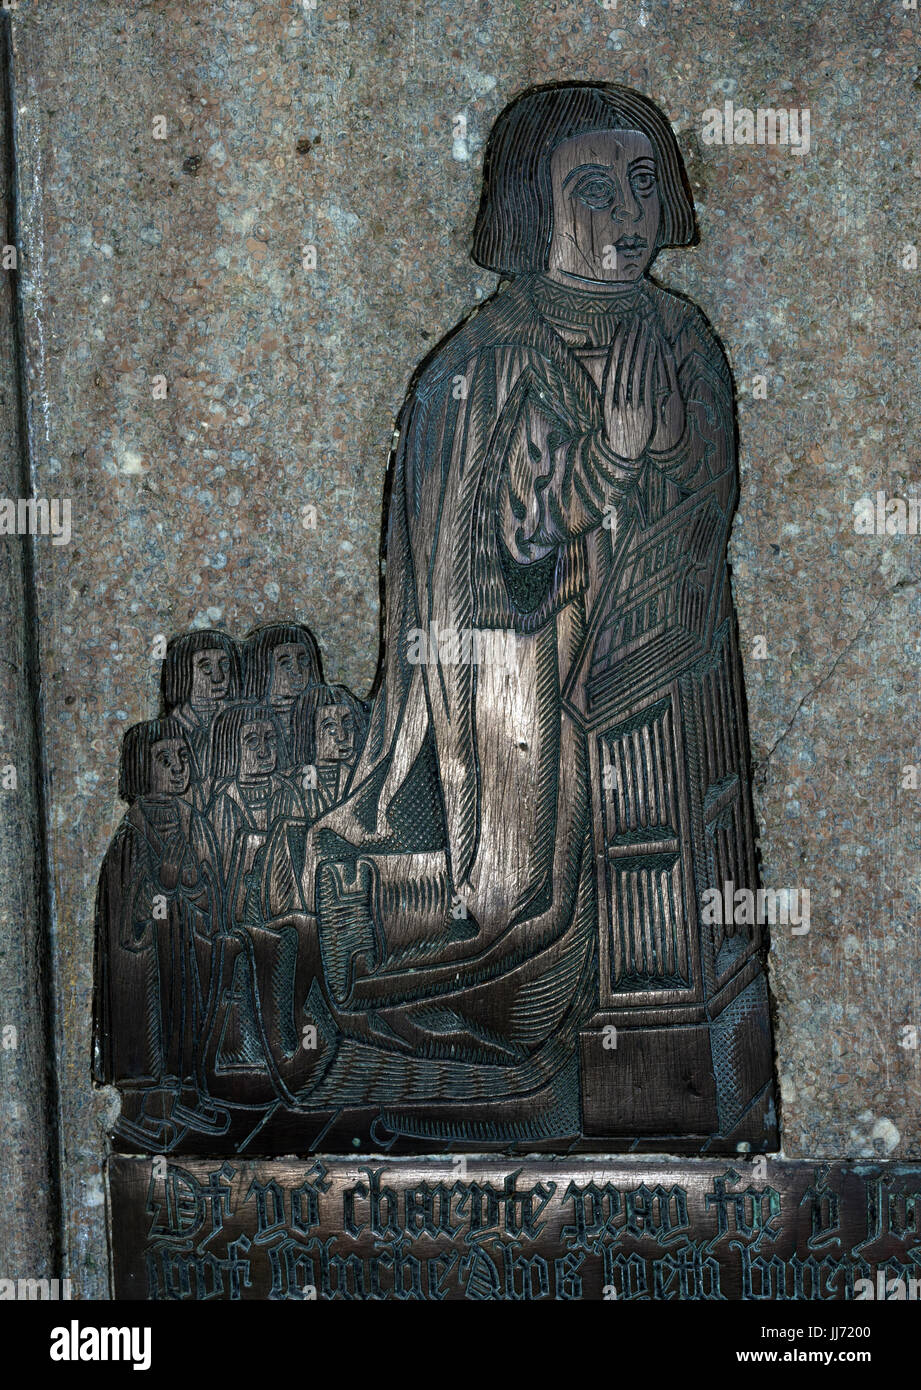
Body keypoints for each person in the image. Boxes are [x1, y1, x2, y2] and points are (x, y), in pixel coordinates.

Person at [277, 82, 759, 1140]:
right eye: (592, 190)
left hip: (659, 661)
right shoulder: (485, 363)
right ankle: (477, 1021)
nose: (627, 216)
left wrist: (660, 467)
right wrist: (609, 462)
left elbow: (709, 499)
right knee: (531, 892)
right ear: (531, 209)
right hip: (521, 697)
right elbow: (496, 561)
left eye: (643, 184)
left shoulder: (680, 335)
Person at [92, 718, 228, 1146]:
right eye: (164, 759)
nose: (178, 767)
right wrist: (164, 889)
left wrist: (194, 888)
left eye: (183, 757)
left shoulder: (191, 821)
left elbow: (210, 892)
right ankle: (138, 1108)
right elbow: (127, 920)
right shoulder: (132, 833)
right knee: (147, 1026)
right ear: (139, 767)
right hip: (145, 960)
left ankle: (183, 1096)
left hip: (184, 947)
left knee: (184, 1020)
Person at [160, 629, 242, 798]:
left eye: (225, 665)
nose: (218, 677)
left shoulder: (239, 719)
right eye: (206, 667)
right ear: (184, 671)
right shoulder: (170, 728)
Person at [242, 622, 322, 762]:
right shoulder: (246, 720)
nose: (297, 671)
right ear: (263, 669)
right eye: (286, 663)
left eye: (303, 661)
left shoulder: (323, 713)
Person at [291, 683, 369, 823]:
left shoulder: (360, 777)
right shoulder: (296, 784)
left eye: (348, 724)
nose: (342, 737)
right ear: (309, 732)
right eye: (331, 728)